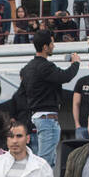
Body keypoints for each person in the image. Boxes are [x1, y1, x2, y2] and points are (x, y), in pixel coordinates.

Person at [19, 32, 80, 168]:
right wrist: (75, 63)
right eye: (52, 43)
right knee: (45, 164)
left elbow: (21, 95)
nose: (54, 46)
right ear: (45, 47)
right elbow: (65, 76)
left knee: (35, 162)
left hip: (34, 119)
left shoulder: (27, 68)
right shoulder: (45, 67)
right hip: (47, 120)